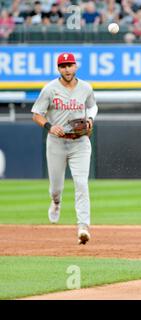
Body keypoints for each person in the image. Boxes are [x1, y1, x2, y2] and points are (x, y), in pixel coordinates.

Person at [31, 52, 98, 245]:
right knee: (56, 187)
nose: (67, 69)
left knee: (81, 183)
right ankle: (56, 202)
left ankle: (83, 226)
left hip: (80, 142)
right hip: (56, 143)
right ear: (58, 69)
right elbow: (36, 113)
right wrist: (50, 127)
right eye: (63, 66)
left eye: (70, 65)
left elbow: (93, 107)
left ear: (76, 66)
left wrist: (91, 119)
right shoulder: (50, 89)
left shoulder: (85, 87)